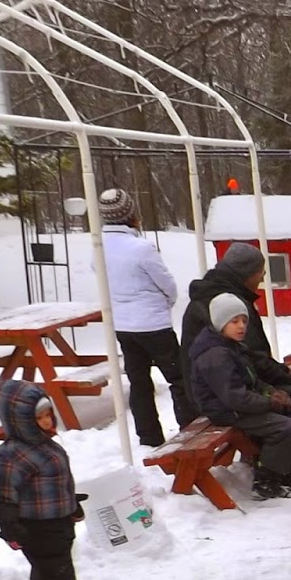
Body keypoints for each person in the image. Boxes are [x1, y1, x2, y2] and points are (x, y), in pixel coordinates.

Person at [178, 242, 291, 428]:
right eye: (261, 273)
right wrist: (289, 379)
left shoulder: (204, 297)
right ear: (248, 274)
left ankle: (277, 440)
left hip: (212, 390)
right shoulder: (232, 305)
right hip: (223, 398)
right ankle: (273, 444)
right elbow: (254, 359)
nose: (262, 278)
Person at [188, 294, 291, 500]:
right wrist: (269, 403)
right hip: (226, 411)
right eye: (234, 321)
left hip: (240, 405)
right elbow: (234, 396)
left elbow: (252, 381)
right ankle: (265, 481)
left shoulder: (232, 345)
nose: (241, 326)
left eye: (244, 321)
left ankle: (288, 471)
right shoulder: (215, 354)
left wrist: (272, 391)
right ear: (220, 323)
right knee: (284, 427)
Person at [0, 380, 97, 580]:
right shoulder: (11, 454)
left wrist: (71, 503)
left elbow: (56, 481)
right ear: (20, 421)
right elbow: (4, 492)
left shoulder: (45, 445)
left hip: (57, 516)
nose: (47, 421)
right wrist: (8, 522)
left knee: (49, 561)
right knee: (54, 562)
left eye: (48, 414)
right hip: (36, 523)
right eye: (39, 418)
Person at [98, 187, 186, 446]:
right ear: (131, 215)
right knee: (179, 379)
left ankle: (148, 436)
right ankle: (191, 428)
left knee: (139, 382)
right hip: (154, 324)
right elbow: (167, 284)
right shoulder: (142, 248)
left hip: (124, 326)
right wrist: (165, 303)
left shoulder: (99, 247)